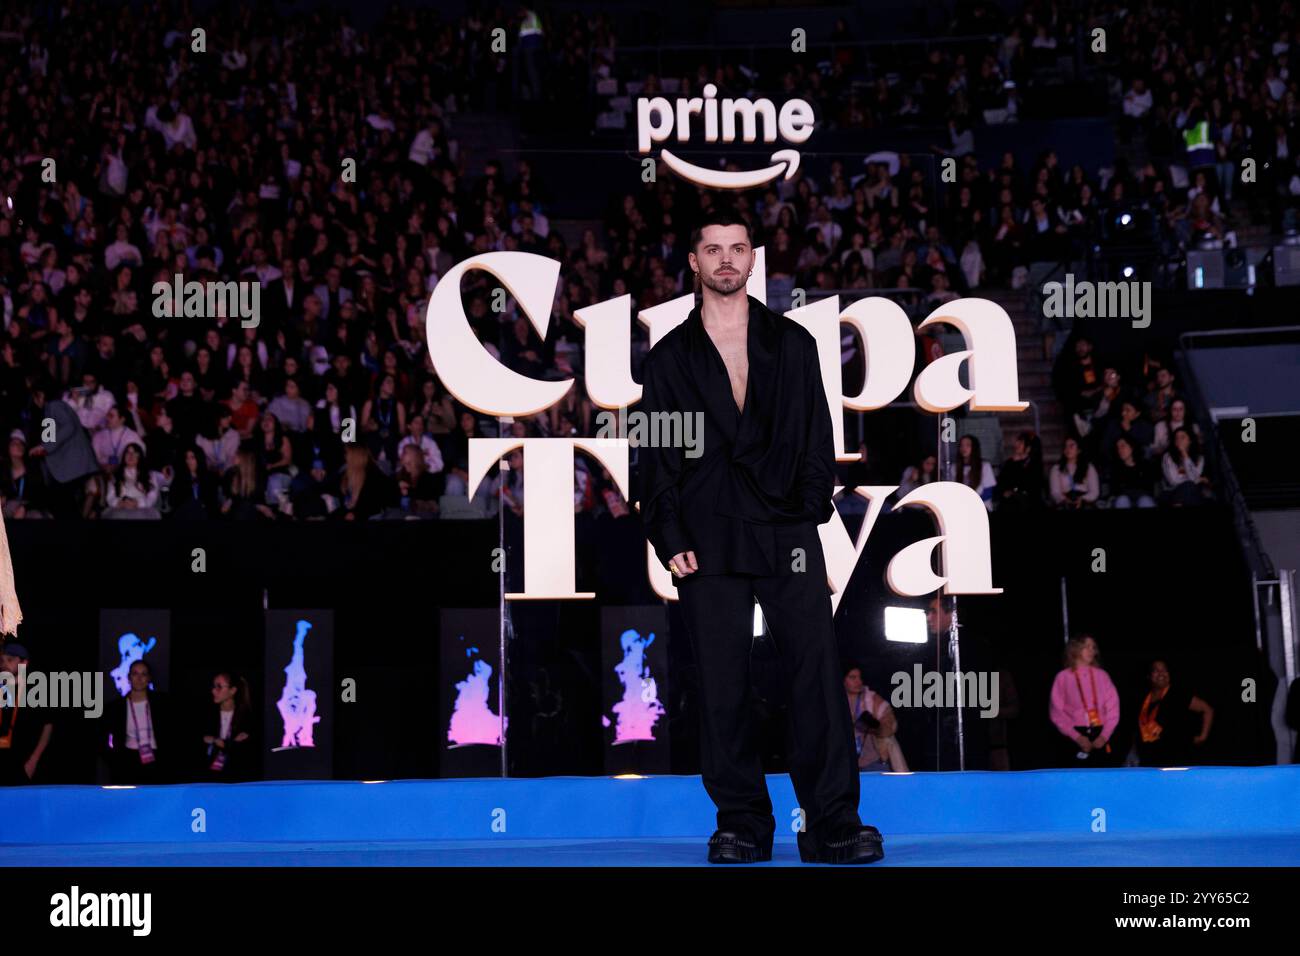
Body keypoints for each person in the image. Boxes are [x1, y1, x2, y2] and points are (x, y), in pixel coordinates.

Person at [638, 211, 882, 865]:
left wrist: (806, 508)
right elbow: (654, 452)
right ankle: (742, 822)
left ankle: (832, 823)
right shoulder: (668, 359)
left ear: (754, 259)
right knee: (721, 684)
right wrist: (666, 531)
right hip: (707, 534)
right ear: (693, 260)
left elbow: (815, 434)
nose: (725, 259)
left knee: (816, 677)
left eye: (737, 248)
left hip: (785, 530)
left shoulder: (793, 346)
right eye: (712, 248)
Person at [1049, 635, 1121, 766]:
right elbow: (1056, 712)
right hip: (1073, 735)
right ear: (1074, 649)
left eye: (1093, 647)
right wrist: (1077, 737)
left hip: (1100, 733)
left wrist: (1104, 735)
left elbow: (1113, 708)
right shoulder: (1063, 677)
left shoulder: (1102, 676)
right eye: (1086, 646)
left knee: (1101, 776)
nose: (1091, 650)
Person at [104, 659, 177, 783]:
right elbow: (102, 737)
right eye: (135, 673)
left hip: (157, 760)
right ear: (129, 677)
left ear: (149, 678)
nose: (139, 678)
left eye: (143, 674)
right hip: (127, 761)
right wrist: (114, 760)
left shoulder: (163, 703)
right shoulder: (115, 707)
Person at [1132, 659, 1213, 767]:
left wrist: (1203, 736)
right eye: (1156, 670)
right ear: (1149, 676)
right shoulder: (1142, 698)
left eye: (1164, 670)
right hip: (1149, 761)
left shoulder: (1178, 694)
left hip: (1176, 761)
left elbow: (1207, 710)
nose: (1161, 673)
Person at [0, 641, 51, 784]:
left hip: (23, 764)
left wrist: (33, 760)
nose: (4, 664)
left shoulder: (36, 690)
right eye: (2, 660)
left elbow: (47, 727)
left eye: (10, 660)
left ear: (24, 663)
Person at [843, 666, 908, 772]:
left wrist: (874, 728)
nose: (858, 681)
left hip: (873, 762)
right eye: (853, 677)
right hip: (843, 765)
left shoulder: (873, 700)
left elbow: (890, 726)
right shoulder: (833, 703)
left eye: (859, 677)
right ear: (842, 680)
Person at [201, 670, 258, 781]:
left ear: (232, 690)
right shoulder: (207, 715)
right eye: (213, 686)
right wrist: (214, 740)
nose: (213, 691)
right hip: (211, 777)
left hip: (237, 777)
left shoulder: (246, 718)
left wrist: (225, 743)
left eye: (219, 687)